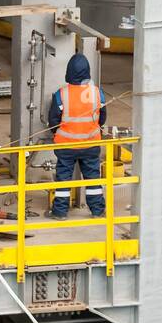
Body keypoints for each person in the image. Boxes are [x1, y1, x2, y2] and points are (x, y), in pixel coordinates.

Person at [47, 53, 107, 219]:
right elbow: (102, 118)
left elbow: (53, 121)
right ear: (88, 72)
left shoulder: (61, 94)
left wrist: (59, 133)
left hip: (66, 146)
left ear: (68, 72)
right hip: (91, 144)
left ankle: (60, 212)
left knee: (64, 179)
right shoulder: (97, 93)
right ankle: (97, 210)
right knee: (92, 178)